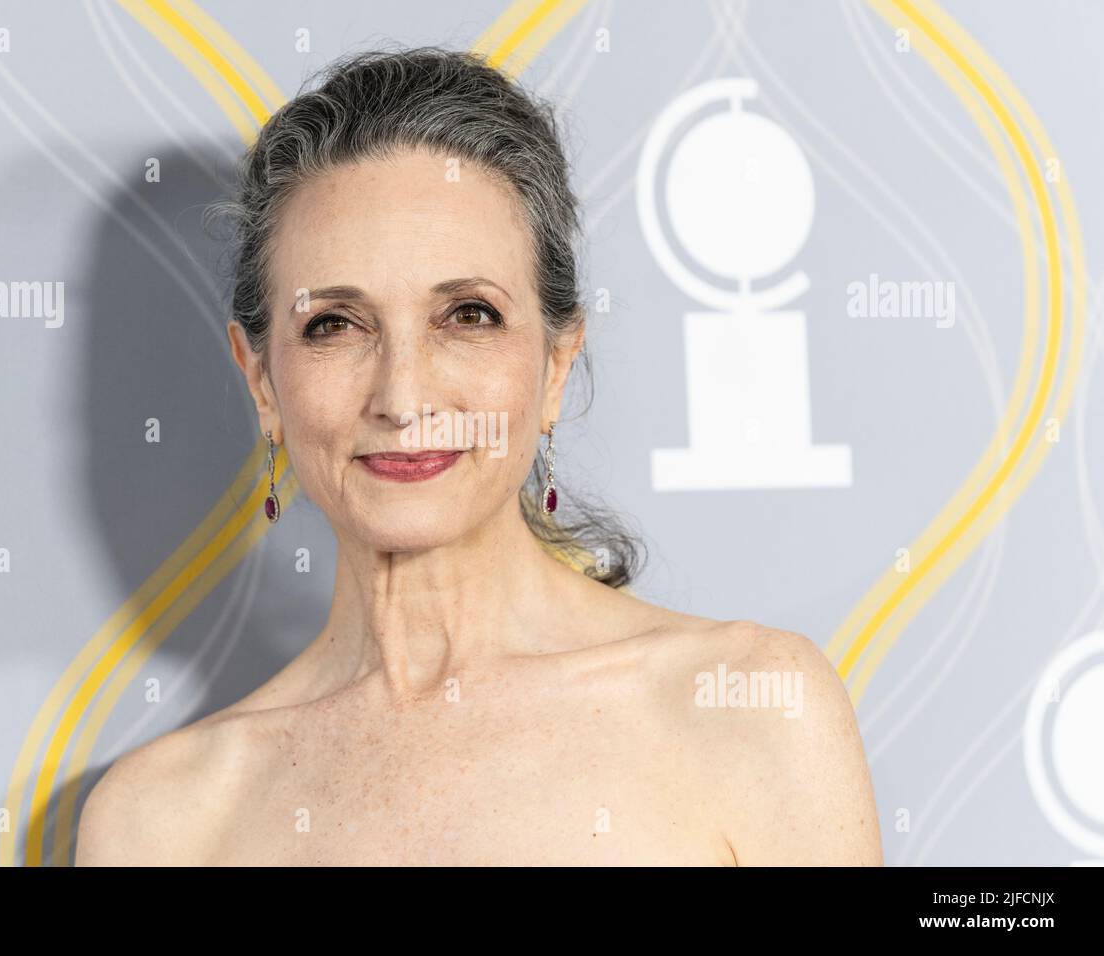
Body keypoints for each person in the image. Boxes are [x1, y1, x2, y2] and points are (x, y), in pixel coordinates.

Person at [75, 46, 882, 866]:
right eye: (334, 324)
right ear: (262, 383)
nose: (404, 397)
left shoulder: (748, 708)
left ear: (556, 365)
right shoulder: (161, 823)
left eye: (467, 315)